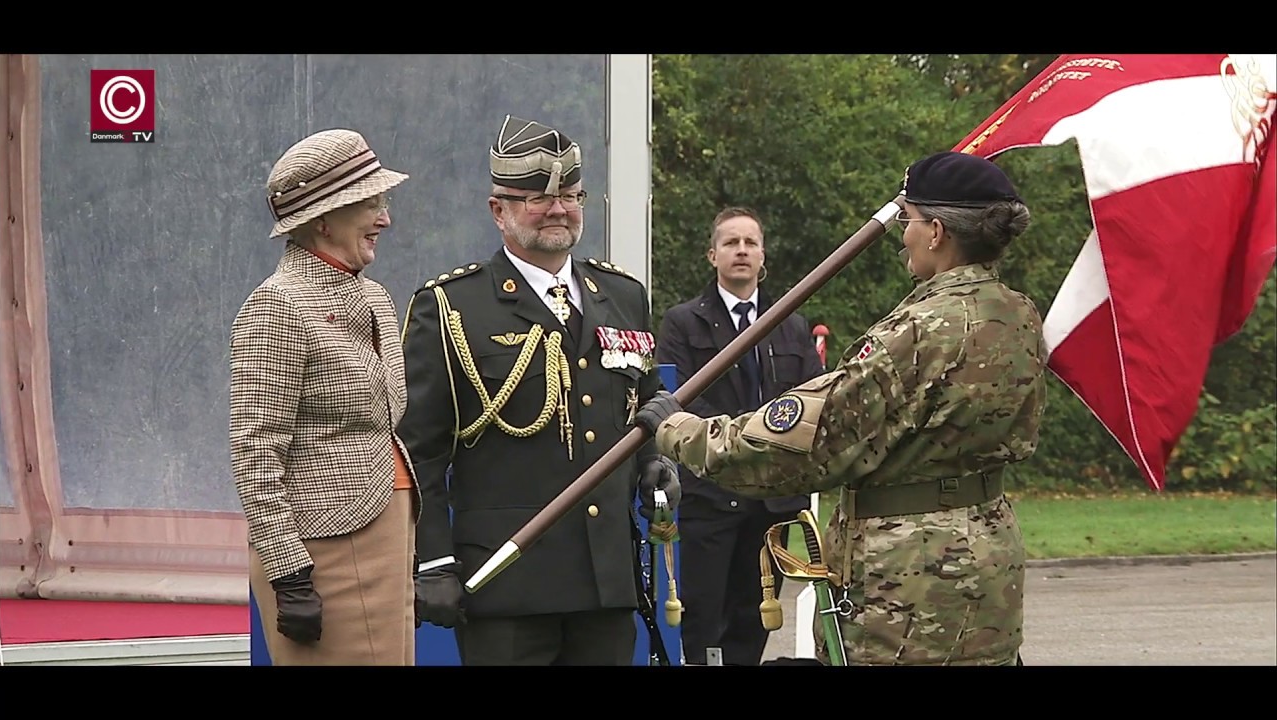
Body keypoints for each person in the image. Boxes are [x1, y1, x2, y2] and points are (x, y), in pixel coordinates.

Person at [634, 150, 1046, 666]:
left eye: (910, 222)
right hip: (990, 556)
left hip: (912, 582)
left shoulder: (918, 331)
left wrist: (676, 428)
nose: (903, 235)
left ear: (937, 232)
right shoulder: (1019, 315)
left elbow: (809, 441)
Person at [397, 115, 680, 666]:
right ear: (497, 210)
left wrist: (654, 463)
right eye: (536, 198)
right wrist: (430, 560)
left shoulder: (622, 295)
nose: (558, 209)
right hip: (508, 583)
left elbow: (642, 407)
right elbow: (420, 452)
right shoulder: (451, 306)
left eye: (570, 195)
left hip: (605, 584)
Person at [230, 129, 420, 665]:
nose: (385, 218)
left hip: (387, 533)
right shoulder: (277, 306)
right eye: (371, 203)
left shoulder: (375, 296)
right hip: (325, 554)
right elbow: (255, 450)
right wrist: (288, 572)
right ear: (323, 220)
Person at [654, 206, 824, 665]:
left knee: (754, 616)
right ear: (713, 255)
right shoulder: (682, 323)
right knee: (704, 617)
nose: (742, 251)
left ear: (763, 255)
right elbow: (682, 398)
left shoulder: (789, 322)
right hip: (709, 496)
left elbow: (809, 394)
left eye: (750, 243)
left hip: (770, 504)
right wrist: (748, 440)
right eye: (731, 243)